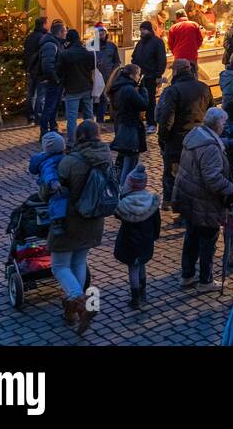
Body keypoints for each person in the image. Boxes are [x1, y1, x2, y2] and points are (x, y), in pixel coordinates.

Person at [53, 120, 114, 335]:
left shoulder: (70, 161)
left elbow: (55, 191)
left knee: (59, 265)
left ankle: (79, 300)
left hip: (71, 220)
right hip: (95, 219)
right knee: (79, 260)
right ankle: (75, 311)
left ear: (79, 137)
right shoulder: (106, 157)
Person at [172, 107, 233, 292]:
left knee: (191, 236)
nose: (225, 126)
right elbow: (213, 178)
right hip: (204, 201)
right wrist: (231, 189)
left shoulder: (196, 135)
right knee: (208, 241)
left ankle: (187, 275)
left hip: (190, 197)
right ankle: (205, 280)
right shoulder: (210, 147)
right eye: (223, 124)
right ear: (217, 125)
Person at [155, 59, 214, 208]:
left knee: (172, 173)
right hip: (199, 137)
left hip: (177, 139)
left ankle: (171, 201)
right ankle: (187, 203)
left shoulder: (173, 90)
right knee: (193, 173)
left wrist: (163, 138)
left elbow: (166, 118)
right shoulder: (204, 87)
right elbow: (211, 112)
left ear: (175, 72)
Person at [113, 162, 160, 310]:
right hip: (146, 240)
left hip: (129, 242)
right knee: (142, 264)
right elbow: (157, 222)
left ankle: (135, 297)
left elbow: (116, 214)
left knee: (132, 268)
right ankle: (143, 290)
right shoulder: (151, 201)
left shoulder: (124, 204)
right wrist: (155, 236)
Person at [108, 63, 149, 185]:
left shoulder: (117, 86)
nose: (139, 77)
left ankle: (118, 186)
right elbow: (144, 104)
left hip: (121, 125)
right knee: (130, 162)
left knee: (122, 160)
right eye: (138, 75)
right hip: (130, 128)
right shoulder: (128, 89)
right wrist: (143, 89)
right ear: (132, 75)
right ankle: (123, 188)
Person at [56, 29, 95, 142]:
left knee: (72, 117)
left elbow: (60, 71)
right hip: (87, 86)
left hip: (72, 88)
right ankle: (92, 138)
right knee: (89, 114)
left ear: (69, 40)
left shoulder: (65, 54)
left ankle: (72, 141)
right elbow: (92, 67)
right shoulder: (88, 52)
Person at [28, 131, 68, 232]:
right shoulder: (51, 161)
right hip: (48, 188)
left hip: (52, 185)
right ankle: (57, 221)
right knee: (59, 196)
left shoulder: (54, 156)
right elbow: (49, 173)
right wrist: (53, 182)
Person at [130, 21, 167, 130]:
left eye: (144, 30)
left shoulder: (158, 42)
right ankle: (142, 120)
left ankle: (152, 123)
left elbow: (161, 60)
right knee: (141, 98)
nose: (142, 32)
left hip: (151, 76)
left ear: (149, 30)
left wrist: (158, 75)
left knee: (150, 100)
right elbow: (134, 57)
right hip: (140, 76)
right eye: (141, 30)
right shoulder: (140, 43)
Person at [37, 20, 67, 136]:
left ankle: (53, 128)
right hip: (52, 81)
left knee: (53, 106)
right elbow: (47, 66)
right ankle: (44, 132)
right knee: (49, 107)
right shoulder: (51, 44)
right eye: (64, 31)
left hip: (55, 80)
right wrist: (56, 79)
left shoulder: (57, 43)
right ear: (59, 32)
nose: (66, 33)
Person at [91, 24, 121, 123]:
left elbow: (117, 62)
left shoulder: (111, 46)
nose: (101, 34)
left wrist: (113, 75)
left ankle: (100, 120)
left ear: (106, 33)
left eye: (103, 32)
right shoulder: (90, 44)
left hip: (107, 77)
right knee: (91, 98)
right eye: (99, 32)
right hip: (93, 77)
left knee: (103, 98)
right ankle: (90, 120)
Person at [23, 17, 48, 123]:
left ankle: (30, 115)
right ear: (43, 25)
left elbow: (26, 53)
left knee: (30, 94)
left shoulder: (29, 37)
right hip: (39, 69)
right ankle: (38, 116)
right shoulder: (43, 37)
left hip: (30, 68)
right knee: (40, 95)